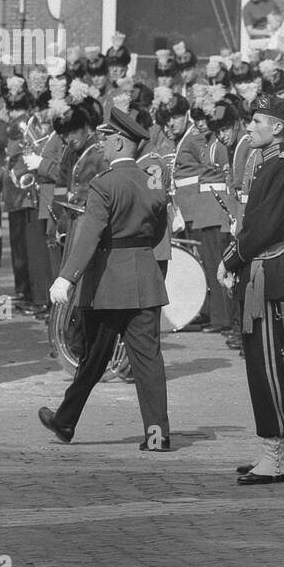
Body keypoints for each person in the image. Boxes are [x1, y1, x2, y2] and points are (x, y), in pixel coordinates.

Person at [39, 108, 172, 450]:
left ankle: (66, 421)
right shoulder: (151, 178)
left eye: (105, 140)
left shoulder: (104, 184)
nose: (100, 144)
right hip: (144, 278)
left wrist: (66, 278)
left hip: (107, 285)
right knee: (149, 361)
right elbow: (158, 225)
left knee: (93, 360)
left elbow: (90, 237)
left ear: (118, 142)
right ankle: (157, 435)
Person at [219, 95, 284, 485]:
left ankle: (275, 453)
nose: (249, 127)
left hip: (268, 275)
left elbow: (265, 228)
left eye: (256, 121)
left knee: (269, 366)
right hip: (262, 273)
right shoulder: (268, 164)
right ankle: (274, 452)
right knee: (260, 364)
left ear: (276, 128)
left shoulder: (283, 167)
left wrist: (231, 259)